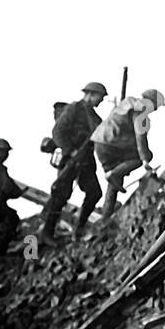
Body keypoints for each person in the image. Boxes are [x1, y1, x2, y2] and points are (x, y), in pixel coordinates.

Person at [40, 81, 107, 246]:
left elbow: (103, 135)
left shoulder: (94, 117)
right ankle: (46, 233)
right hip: (71, 158)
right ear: (90, 94)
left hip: (86, 161)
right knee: (60, 195)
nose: (101, 101)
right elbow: (58, 132)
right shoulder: (74, 109)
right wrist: (71, 151)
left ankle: (79, 229)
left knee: (94, 193)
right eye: (100, 97)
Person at [92, 88, 165, 218]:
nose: (155, 110)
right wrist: (145, 160)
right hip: (112, 144)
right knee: (145, 155)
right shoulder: (141, 112)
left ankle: (106, 216)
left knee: (114, 183)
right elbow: (140, 137)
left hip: (100, 143)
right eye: (156, 106)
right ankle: (114, 174)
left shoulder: (127, 103)